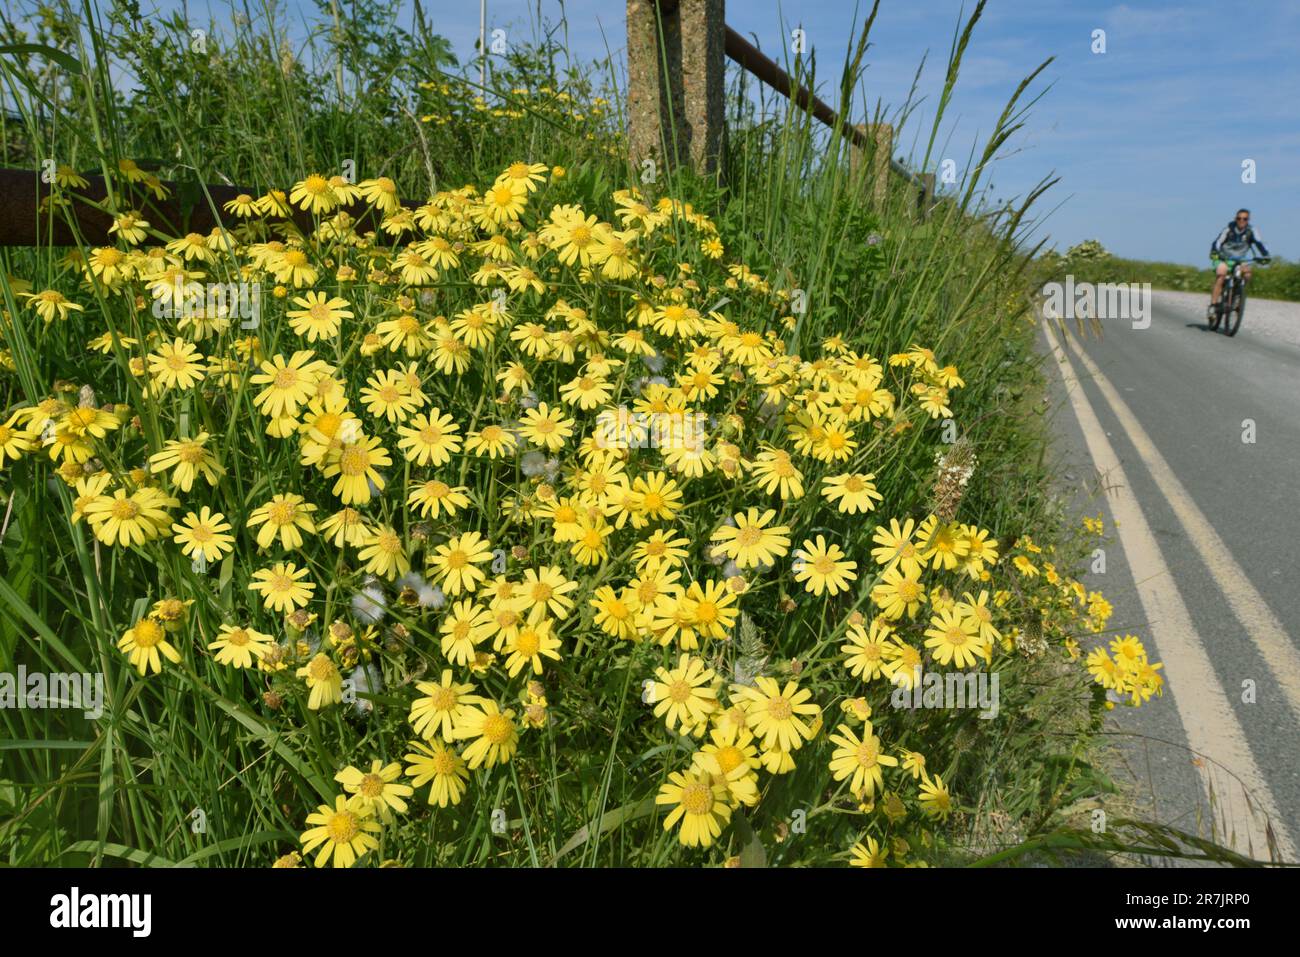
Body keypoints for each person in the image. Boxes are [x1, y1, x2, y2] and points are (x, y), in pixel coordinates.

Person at [1209, 209, 1270, 317]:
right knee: (1221, 273)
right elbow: (1217, 242)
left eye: (1244, 219)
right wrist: (1215, 252)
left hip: (1240, 260)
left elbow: (1260, 243)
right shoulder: (1229, 229)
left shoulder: (1251, 231)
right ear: (1235, 219)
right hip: (1224, 258)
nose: (1241, 221)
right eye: (1239, 218)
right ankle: (1213, 306)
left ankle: (1238, 294)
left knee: (1247, 273)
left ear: (1248, 220)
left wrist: (1266, 255)